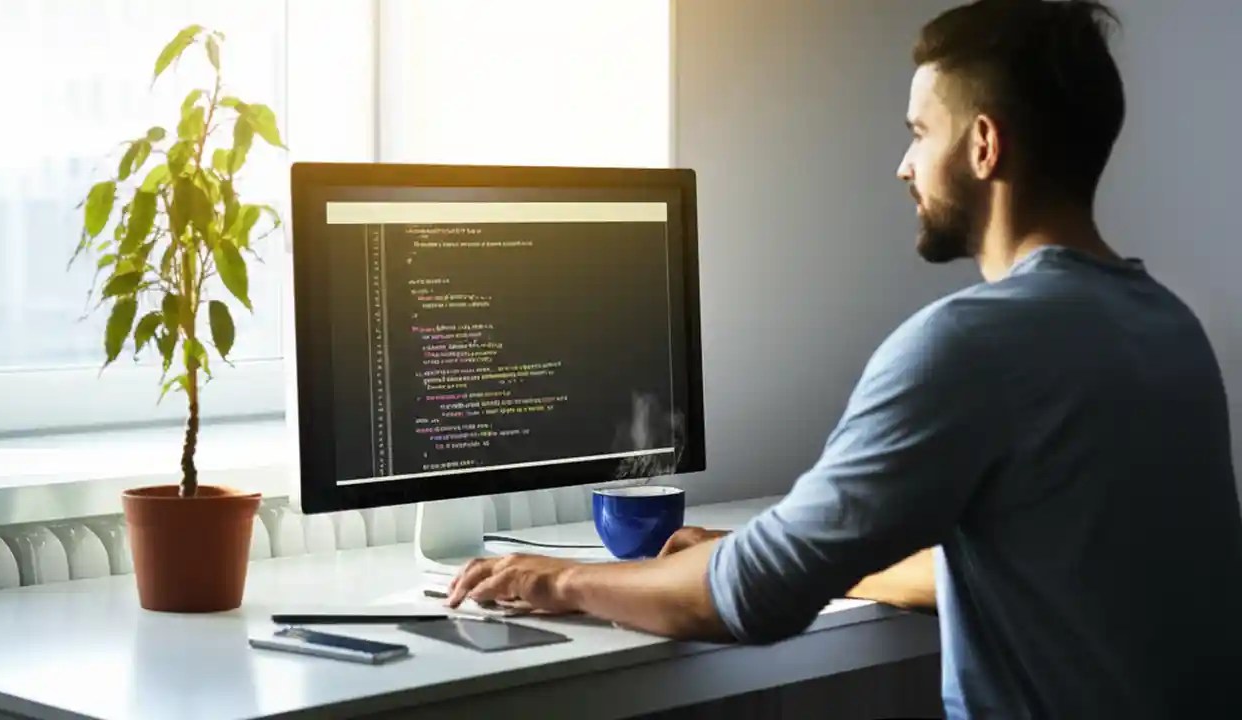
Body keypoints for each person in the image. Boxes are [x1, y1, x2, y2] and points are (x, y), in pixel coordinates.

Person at [447, 1, 1242, 716]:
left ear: (983, 144)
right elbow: (1018, 566)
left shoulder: (970, 344)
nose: (904, 166)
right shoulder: (1166, 328)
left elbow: (751, 601)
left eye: (918, 134)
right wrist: (808, 554)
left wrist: (557, 579)